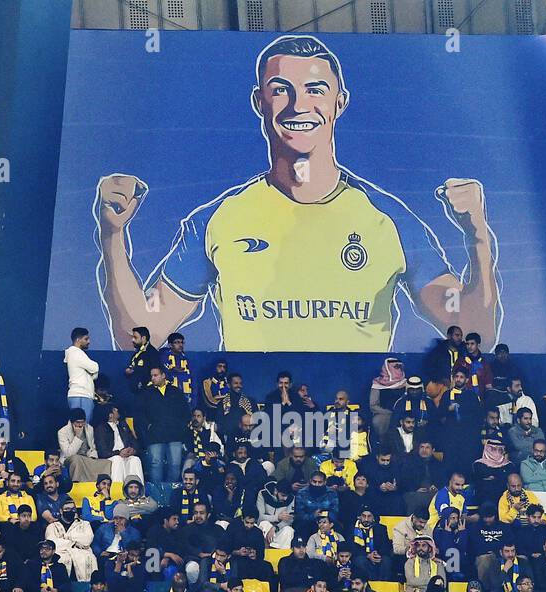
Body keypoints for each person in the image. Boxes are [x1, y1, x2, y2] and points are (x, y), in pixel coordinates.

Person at [95, 34, 499, 353]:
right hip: (256, 419)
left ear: (339, 103)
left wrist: (478, 236)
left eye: (316, 90)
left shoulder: (390, 221)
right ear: (260, 102)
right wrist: (112, 236)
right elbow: (140, 333)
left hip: (352, 419)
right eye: (281, 89)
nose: (298, 105)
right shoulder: (218, 219)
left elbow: (472, 331)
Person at [64, 326, 99, 421]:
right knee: (82, 428)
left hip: (82, 395)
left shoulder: (76, 354)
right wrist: (93, 371)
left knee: (81, 428)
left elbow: (94, 375)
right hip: (81, 395)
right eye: (86, 339)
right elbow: (95, 367)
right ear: (78, 340)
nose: (89, 342)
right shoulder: (76, 353)